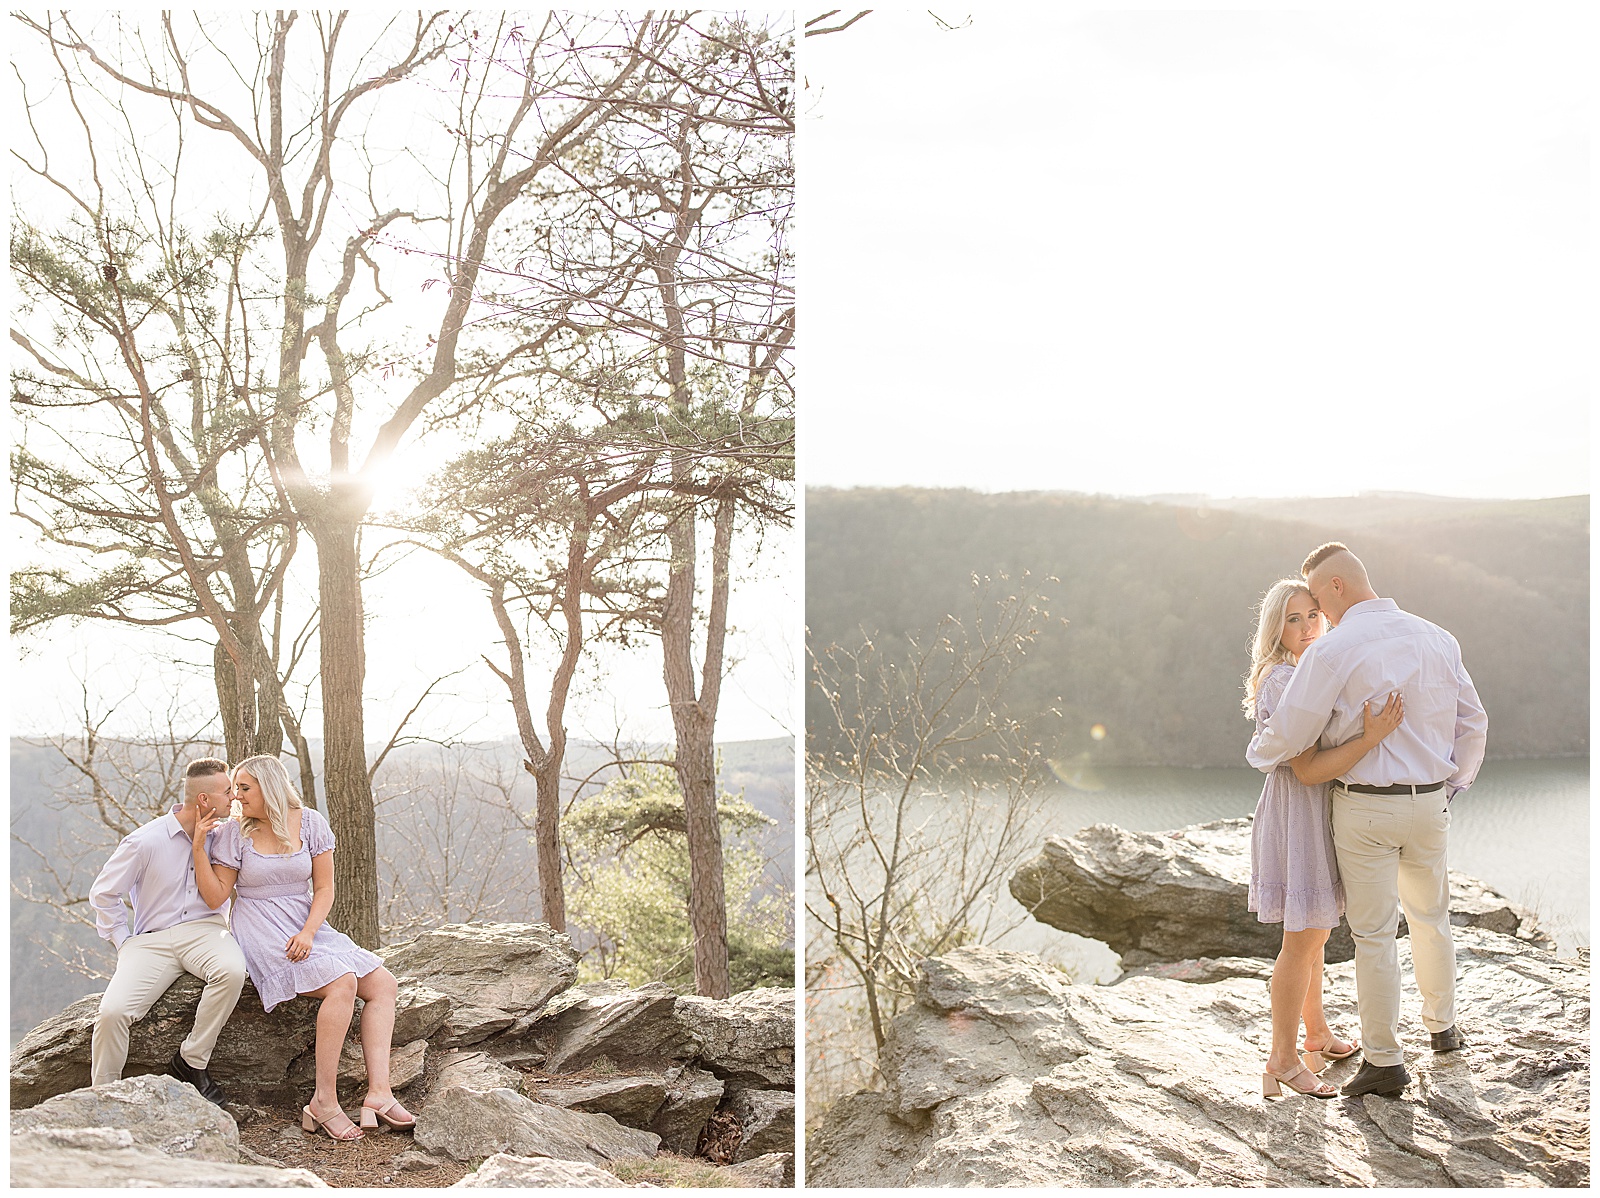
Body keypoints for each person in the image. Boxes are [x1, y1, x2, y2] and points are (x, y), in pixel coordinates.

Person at [1249, 543, 1487, 1099]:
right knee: (1431, 918)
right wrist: (1450, 786)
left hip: (1366, 806)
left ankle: (1384, 1061)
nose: (1320, 619)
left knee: (1375, 935)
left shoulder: (1334, 650)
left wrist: (1261, 751)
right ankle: (1443, 1030)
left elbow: (1290, 734)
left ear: (1334, 587)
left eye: (1318, 605)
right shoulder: (1438, 637)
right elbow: (1473, 723)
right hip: (1430, 802)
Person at [192, 754, 415, 1140]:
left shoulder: (310, 822)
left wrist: (310, 932)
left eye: (244, 788)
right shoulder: (233, 833)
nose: (237, 796)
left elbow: (324, 888)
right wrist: (199, 848)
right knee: (342, 982)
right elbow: (216, 897)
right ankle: (323, 1101)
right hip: (260, 926)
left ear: (270, 788)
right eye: (235, 789)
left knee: (383, 984)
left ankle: (379, 1093)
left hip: (305, 922)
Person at [1244, 579, 1404, 1099]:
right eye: (1293, 619)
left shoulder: (1306, 670)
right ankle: (1282, 1059)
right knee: (1303, 940)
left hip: (1312, 809)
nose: (1307, 626)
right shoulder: (1283, 679)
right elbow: (1307, 767)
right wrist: (1371, 738)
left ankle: (1316, 1033)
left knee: (1313, 934)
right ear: (1276, 627)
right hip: (1298, 811)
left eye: (1313, 615)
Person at [89, 758, 248, 1105]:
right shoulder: (145, 841)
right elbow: (103, 894)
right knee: (112, 1013)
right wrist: (122, 942)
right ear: (204, 799)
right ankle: (104, 1098)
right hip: (151, 941)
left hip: (206, 931)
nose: (234, 797)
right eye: (227, 791)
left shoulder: (226, 837)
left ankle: (191, 1060)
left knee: (232, 971)